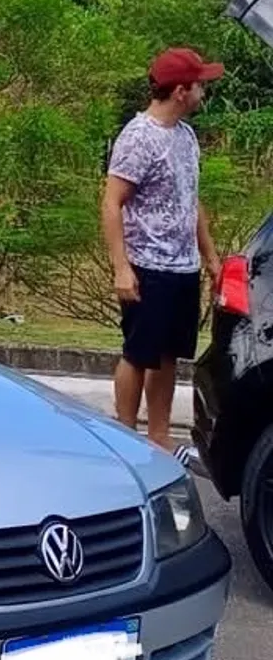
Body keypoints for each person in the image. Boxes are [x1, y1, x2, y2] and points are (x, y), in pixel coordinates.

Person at [101, 47, 224, 451]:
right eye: (200, 85)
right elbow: (112, 202)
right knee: (139, 353)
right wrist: (121, 267)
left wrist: (209, 256)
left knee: (168, 355)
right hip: (147, 264)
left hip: (182, 267)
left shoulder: (186, 137)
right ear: (180, 91)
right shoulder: (139, 138)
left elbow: (192, 198)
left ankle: (158, 436)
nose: (204, 91)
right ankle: (125, 437)